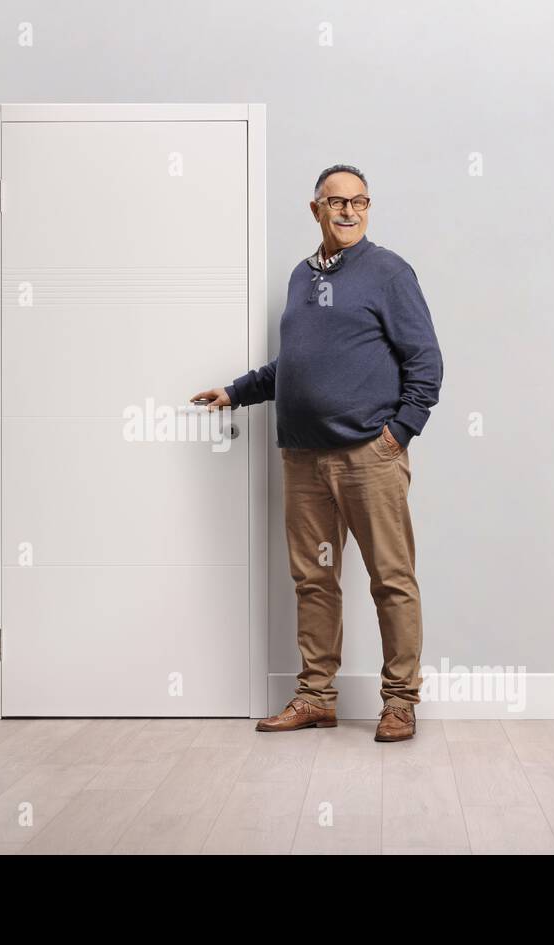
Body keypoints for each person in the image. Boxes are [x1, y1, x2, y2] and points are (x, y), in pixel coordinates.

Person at [191, 164, 444, 742]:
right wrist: (237, 391)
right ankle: (315, 697)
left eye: (359, 202)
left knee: (392, 580)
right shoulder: (301, 278)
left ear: (369, 208)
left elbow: (425, 363)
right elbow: (297, 365)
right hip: (303, 459)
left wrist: (398, 433)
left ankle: (400, 702)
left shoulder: (388, 271)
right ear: (316, 210)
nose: (348, 211)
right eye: (336, 202)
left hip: (368, 458)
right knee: (314, 581)